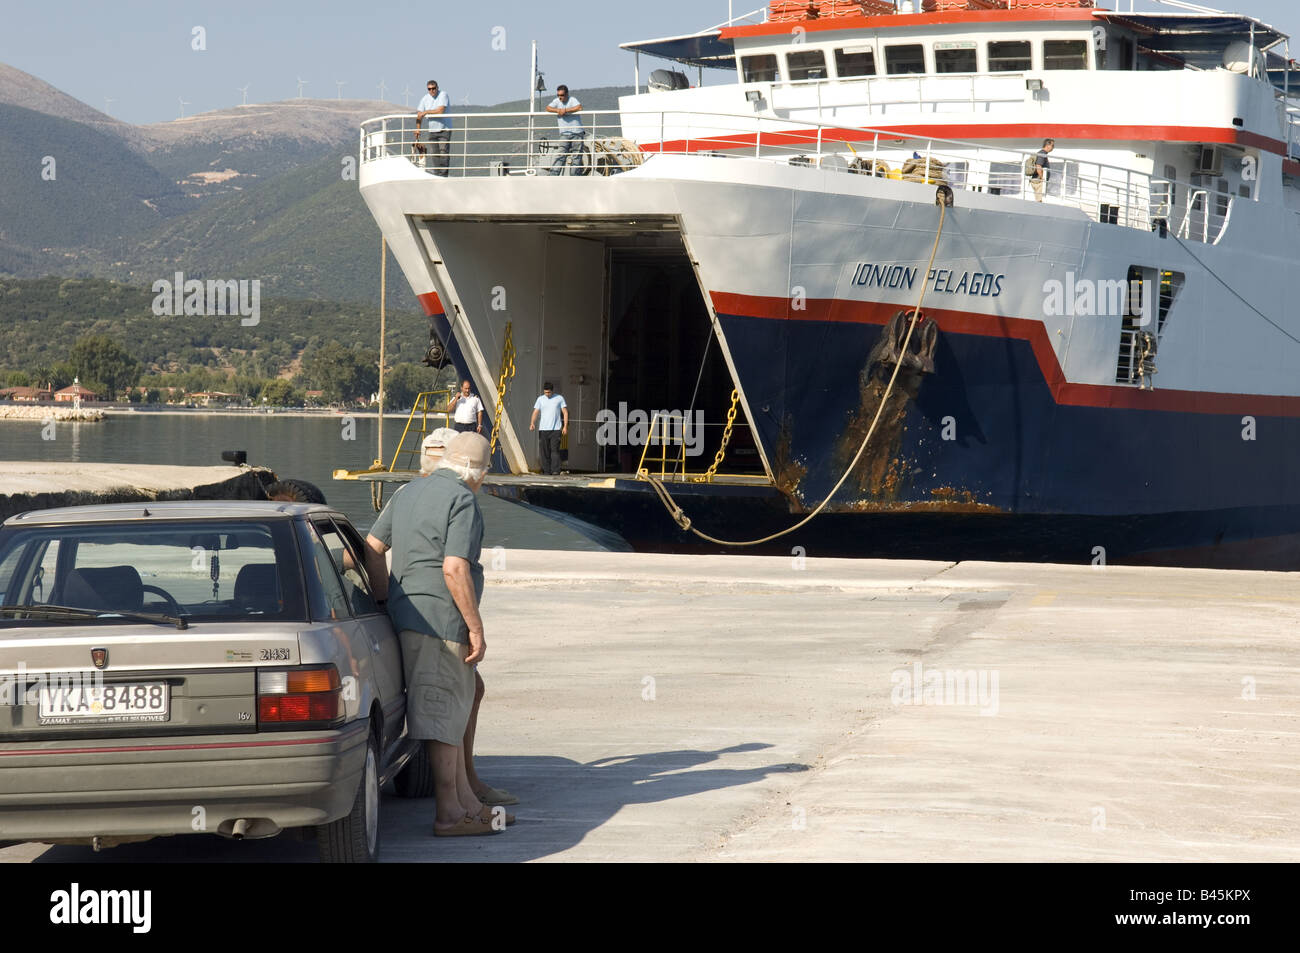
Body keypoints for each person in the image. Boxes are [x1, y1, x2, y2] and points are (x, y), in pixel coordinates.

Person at [364, 431, 513, 836]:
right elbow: (454, 568)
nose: (483, 480)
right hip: (442, 621)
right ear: (475, 471)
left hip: (408, 616)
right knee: (443, 714)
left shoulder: (408, 492)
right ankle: (450, 813)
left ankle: (467, 803)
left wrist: (384, 599)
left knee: (448, 707)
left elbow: (372, 547)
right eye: (484, 472)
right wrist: (476, 628)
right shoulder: (462, 499)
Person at [529, 382, 568, 475]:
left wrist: (565, 426)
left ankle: (555, 470)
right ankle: (546, 471)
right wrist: (532, 423)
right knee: (544, 452)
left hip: (556, 429)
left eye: (549, 393)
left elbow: (565, 412)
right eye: (545, 392)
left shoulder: (559, 398)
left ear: (552, 391)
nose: (547, 394)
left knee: (555, 450)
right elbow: (535, 412)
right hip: (543, 429)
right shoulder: (540, 399)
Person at [546, 85, 585, 175]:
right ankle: (554, 174)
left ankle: (574, 176)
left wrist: (565, 110)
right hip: (564, 133)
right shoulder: (557, 101)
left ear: (567, 94)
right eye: (558, 95)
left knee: (577, 156)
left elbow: (579, 107)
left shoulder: (572, 99)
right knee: (560, 154)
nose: (560, 97)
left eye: (562, 95)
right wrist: (558, 110)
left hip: (577, 132)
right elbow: (548, 108)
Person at [416, 79, 451, 177]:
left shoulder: (443, 95)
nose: (432, 91)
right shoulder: (425, 99)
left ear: (437, 88)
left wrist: (426, 112)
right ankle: (437, 175)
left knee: (443, 153)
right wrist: (418, 129)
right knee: (434, 154)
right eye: (429, 89)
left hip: (444, 129)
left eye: (433, 88)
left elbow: (440, 111)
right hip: (432, 130)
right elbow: (419, 115)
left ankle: (443, 175)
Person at [1031, 138, 1054, 203]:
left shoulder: (1043, 153)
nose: (1053, 148)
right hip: (1039, 180)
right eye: (1052, 146)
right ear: (1047, 145)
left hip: (1037, 179)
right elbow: (1038, 166)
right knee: (1039, 201)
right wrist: (1042, 178)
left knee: (1039, 200)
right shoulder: (1042, 153)